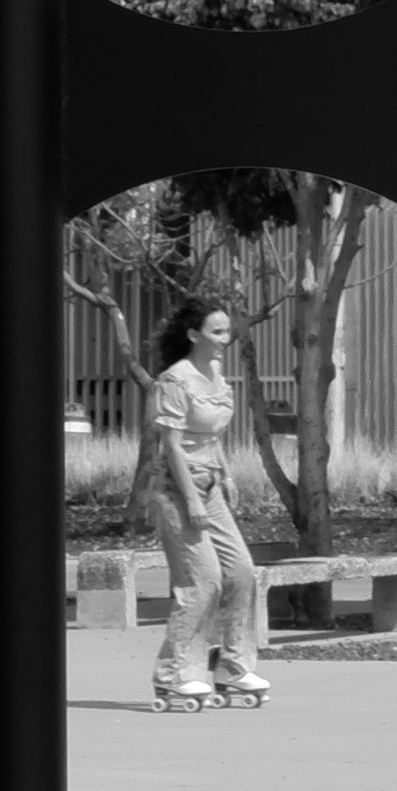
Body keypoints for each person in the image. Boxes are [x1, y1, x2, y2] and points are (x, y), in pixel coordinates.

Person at [134, 296, 268, 709]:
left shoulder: (216, 374)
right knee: (203, 581)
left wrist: (226, 475)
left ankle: (233, 666)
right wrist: (192, 501)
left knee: (241, 572)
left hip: (211, 486)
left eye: (227, 331)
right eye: (217, 332)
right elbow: (172, 445)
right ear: (194, 335)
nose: (225, 339)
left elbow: (211, 438)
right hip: (177, 490)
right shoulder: (175, 381)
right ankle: (175, 674)